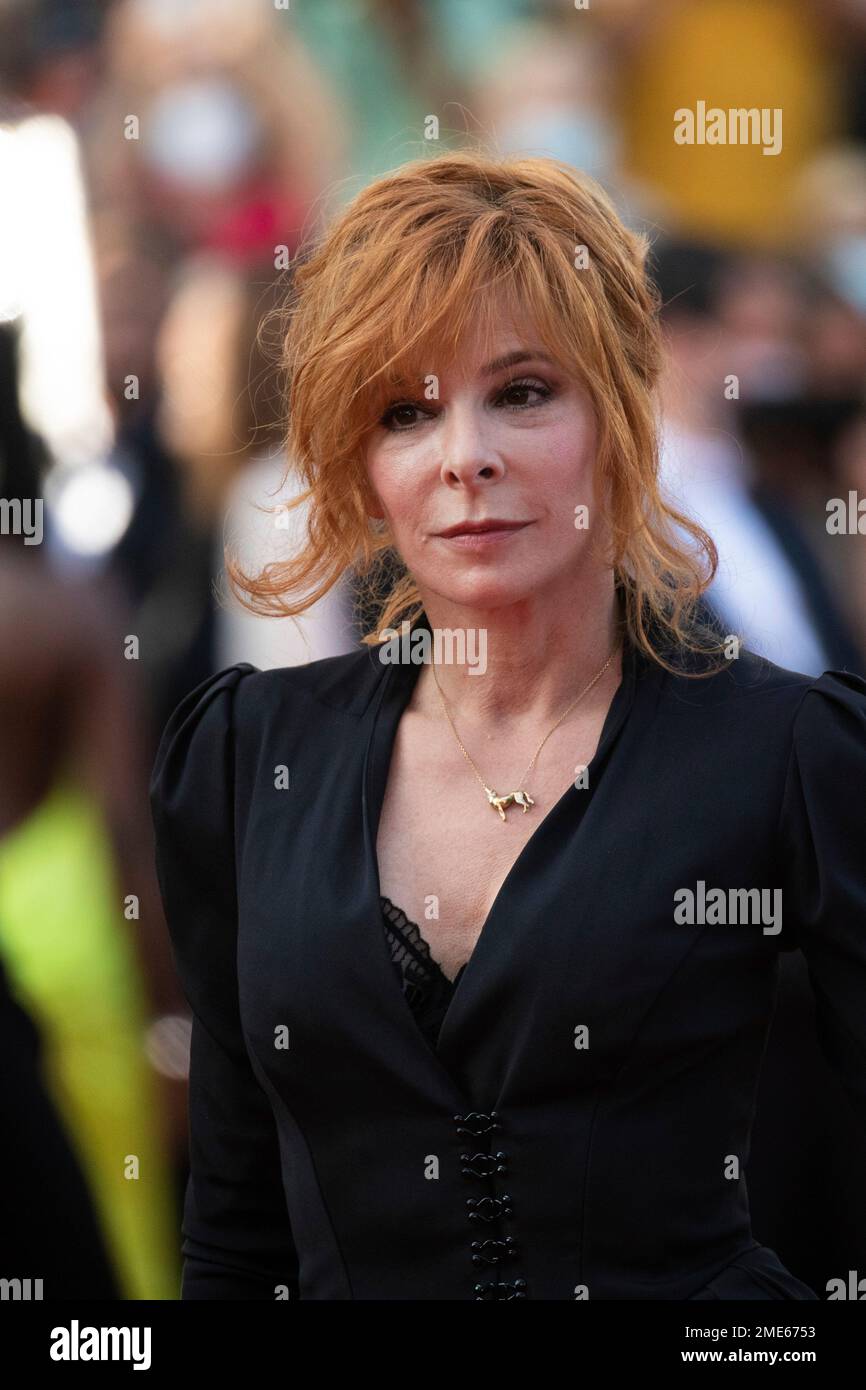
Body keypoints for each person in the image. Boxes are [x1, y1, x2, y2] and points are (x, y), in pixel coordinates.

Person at [149, 150, 866, 1301]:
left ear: (618, 415)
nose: (464, 455)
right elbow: (234, 1232)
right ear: (358, 459)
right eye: (404, 410)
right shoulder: (248, 759)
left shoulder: (783, 749)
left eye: (522, 391)